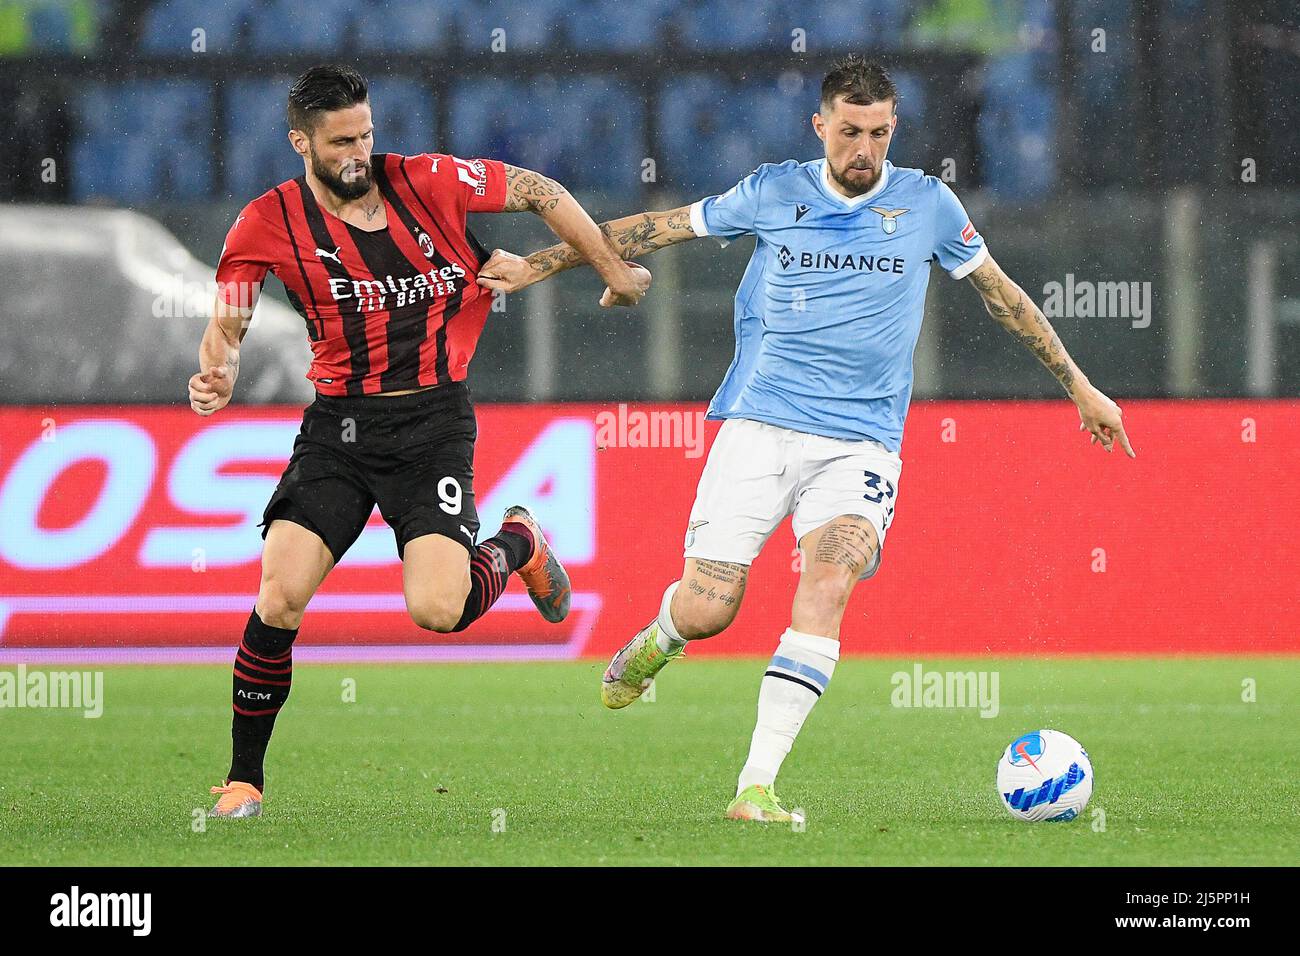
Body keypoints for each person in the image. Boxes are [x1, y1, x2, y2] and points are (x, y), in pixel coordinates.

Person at [475, 55, 1134, 823]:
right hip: (758, 430)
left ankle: (755, 786)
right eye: (850, 131)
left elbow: (1001, 295)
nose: (864, 149)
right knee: (709, 609)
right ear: (820, 126)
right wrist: (541, 263)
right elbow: (651, 230)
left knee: (830, 581)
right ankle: (662, 634)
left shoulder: (926, 204)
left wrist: (1080, 385)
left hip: (860, 446)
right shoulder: (773, 190)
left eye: (880, 133)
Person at [190, 64, 650, 818]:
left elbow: (541, 191)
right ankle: (244, 780)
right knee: (279, 595)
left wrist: (612, 270)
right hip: (337, 430)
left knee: (440, 609)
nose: (358, 154)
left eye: (366, 135)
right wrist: (218, 371)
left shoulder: (430, 180)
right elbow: (228, 321)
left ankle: (517, 545)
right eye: (340, 141)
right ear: (299, 142)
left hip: (432, 424)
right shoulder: (264, 223)